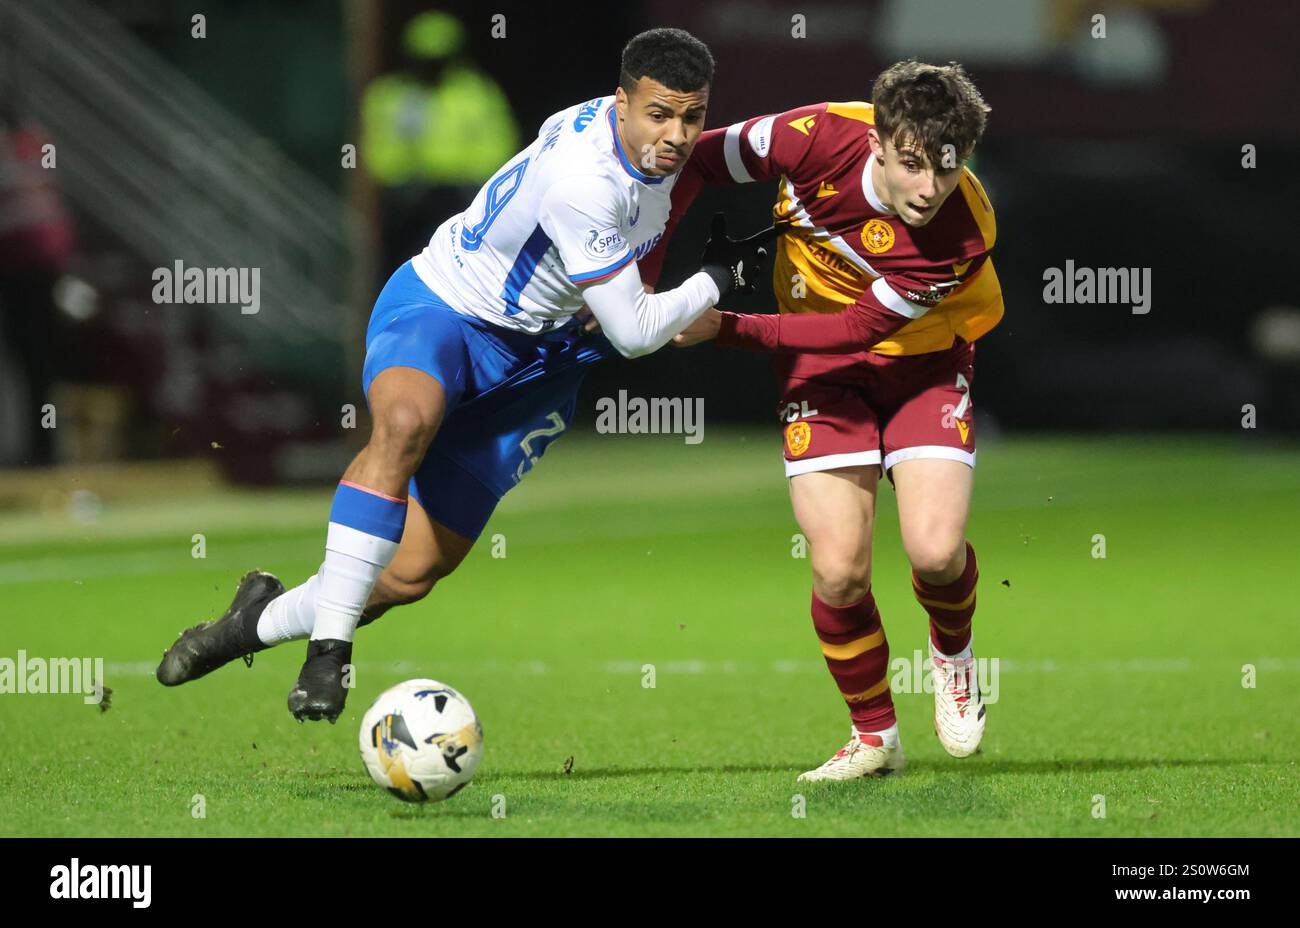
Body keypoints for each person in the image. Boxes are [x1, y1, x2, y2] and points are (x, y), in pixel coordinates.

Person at [157, 28, 758, 722]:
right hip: (447, 310)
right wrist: (716, 278)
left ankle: (245, 626)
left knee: (410, 574)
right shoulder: (583, 181)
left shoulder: (654, 147)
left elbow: (751, 148)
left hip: (540, 362)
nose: (677, 135)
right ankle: (330, 651)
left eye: (693, 116)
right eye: (660, 114)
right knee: (405, 425)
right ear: (620, 103)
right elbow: (634, 331)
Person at [648, 60, 1002, 778]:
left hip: (921, 363)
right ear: (877, 143)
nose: (930, 189)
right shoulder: (810, 137)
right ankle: (875, 739)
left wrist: (723, 328)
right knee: (839, 569)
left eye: (946, 166)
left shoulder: (962, 228)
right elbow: (696, 163)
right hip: (823, 375)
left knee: (935, 552)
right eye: (911, 165)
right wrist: (644, 274)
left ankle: (954, 654)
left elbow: (855, 330)